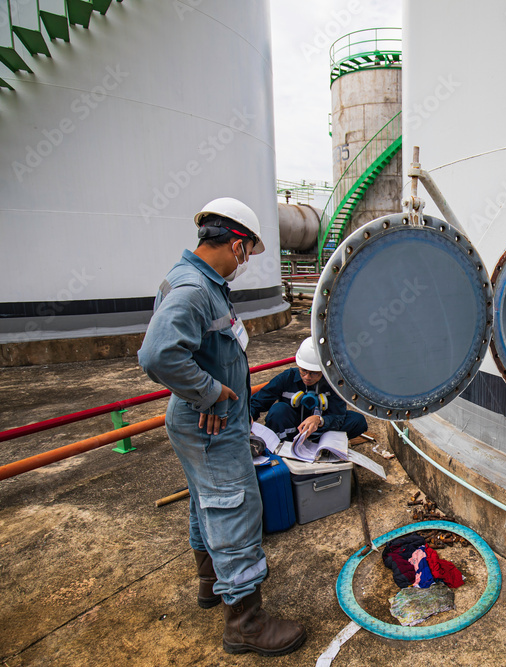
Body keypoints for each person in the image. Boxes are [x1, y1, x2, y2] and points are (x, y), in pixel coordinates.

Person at [138, 197, 305, 657]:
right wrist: (208, 392)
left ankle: (211, 584)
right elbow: (156, 355)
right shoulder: (195, 289)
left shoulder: (193, 280)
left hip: (201, 420)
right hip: (210, 422)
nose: (246, 262)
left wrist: (204, 390)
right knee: (233, 510)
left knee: (205, 502)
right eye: (247, 252)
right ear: (235, 245)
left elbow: (197, 350)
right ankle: (245, 624)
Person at [250, 337, 367, 443]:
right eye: (303, 371)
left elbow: (338, 416)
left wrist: (320, 420)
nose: (307, 377)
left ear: (323, 370)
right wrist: (248, 416)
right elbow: (258, 401)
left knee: (357, 420)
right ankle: (284, 445)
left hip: (319, 430)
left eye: (314, 373)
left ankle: (322, 444)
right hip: (292, 427)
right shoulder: (287, 378)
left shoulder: (333, 383)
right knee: (278, 410)